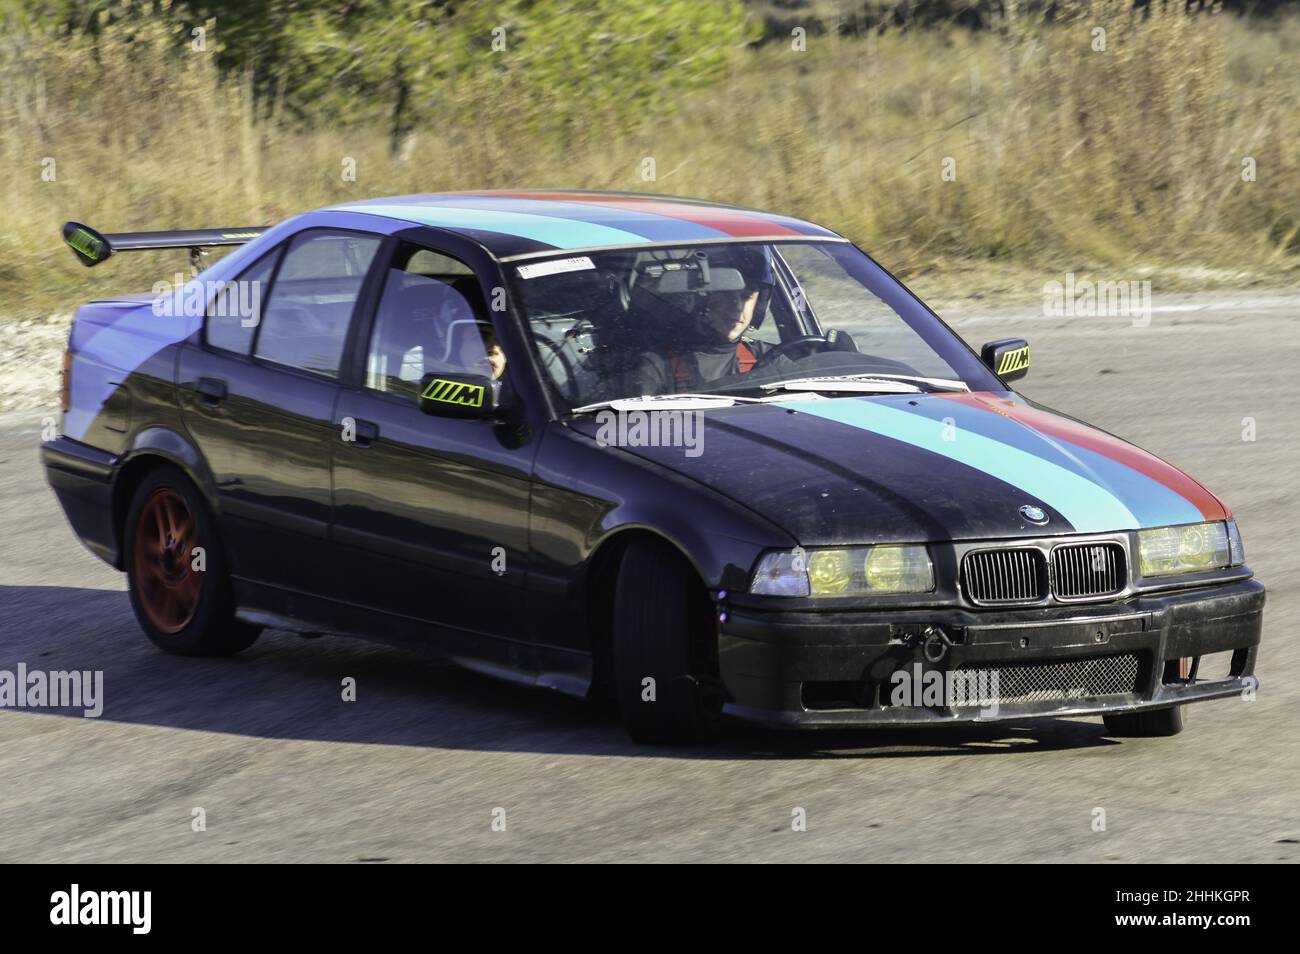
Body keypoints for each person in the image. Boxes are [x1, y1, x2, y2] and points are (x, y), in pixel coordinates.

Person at [628, 251, 793, 395]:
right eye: (727, 295)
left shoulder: (768, 359)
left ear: (759, 306)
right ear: (701, 299)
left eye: (746, 297)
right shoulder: (659, 366)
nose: (738, 307)